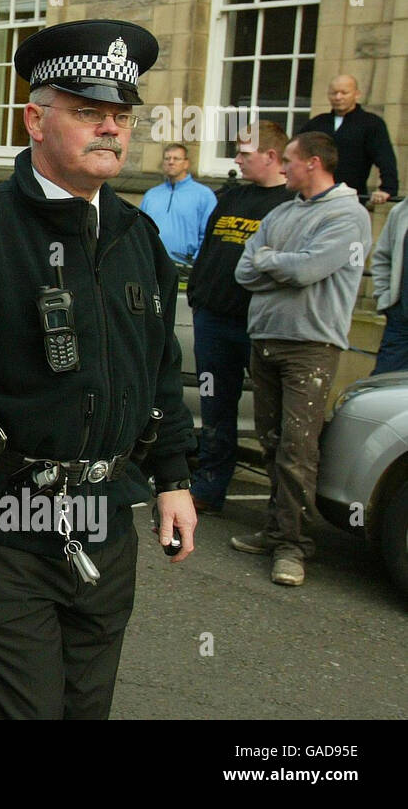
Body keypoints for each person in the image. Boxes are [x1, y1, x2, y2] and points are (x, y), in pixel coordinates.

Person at [0, 19, 197, 720]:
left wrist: (173, 477)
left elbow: (159, 370)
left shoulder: (140, 239)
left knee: (85, 710)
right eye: (87, 111)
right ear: (35, 119)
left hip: (105, 528)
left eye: (119, 115)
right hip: (3, 530)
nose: (109, 129)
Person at [233, 131, 372, 586]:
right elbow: (244, 270)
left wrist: (274, 261)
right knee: (272, 442)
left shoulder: (348, 215)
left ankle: (294, 546)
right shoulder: (280, 211)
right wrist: (282, 265)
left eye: (289, 160)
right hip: (266, 337)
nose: (283, 168)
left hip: (310, 345)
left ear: (313, 163)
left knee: (298, 448)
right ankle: (277, 530)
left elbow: (310, 270)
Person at [185, 122, 294, 513]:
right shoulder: (229, 198)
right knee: (215, 407)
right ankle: (209, 489)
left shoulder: (291, 205)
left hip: (259, 325)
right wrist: (197, 294)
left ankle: (280, 508)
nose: (236, 160)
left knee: (273, 419)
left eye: (244, 154)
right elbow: (209, 247)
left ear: (271, 157)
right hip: (213, 320)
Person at [299, 75, 399, 205]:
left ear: (356, 94)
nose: (338, 97)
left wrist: (387, 188)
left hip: (350, 198)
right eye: (334, 93)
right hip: (313, 197)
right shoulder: (317, 123)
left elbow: (385, 158)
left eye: (344, 92)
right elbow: (296, 152)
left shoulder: (371, 124)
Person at [139, 143, 217, 263]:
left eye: (176, 158)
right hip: (151, 264)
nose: (171, 162)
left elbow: (209, 234)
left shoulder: (203, 195)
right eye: (167, 158)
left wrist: (196, 262)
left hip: (184, 267)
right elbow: (140, 229)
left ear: (186, 163)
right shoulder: (151, 195)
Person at [371, 195, 408, 374]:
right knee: (382, 384)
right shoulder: (401, 211)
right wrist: (385, 297)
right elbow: (382, 257)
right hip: (400, 320)